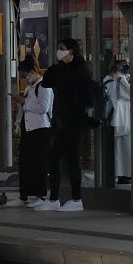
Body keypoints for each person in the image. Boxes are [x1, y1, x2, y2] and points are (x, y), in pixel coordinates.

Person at [35, 38, 94, 211]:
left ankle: (76, 200)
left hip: (74, 121)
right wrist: (57, 65)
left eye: (62, 49)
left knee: (71, 159)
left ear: (72, 51)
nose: (58, 51)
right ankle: (55, 198)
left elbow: (87, 95)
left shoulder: (80, 71)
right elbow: (47, 81)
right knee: (55, 159)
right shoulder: (61, 69)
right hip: (62, 121)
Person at [16, 58, 53, 207]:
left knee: (39, 164)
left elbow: (43, 108)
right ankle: (24, 194)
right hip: (28, 128)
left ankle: (40, 195)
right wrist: (17, 123)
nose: (24, 78)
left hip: (40, 129)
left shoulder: (44, 86)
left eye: (25, 75)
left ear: (32, 71)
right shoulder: (30, 88)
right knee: (25, 163)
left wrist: (25, 103)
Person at [103, 59, 131, 185]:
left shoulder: (108, 80)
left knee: (120, 149)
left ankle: (122, 174)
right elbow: (130, 93)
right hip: (122, 118)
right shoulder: (119, 81)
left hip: (116, 118)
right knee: (124, 148)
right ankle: (124, 174)